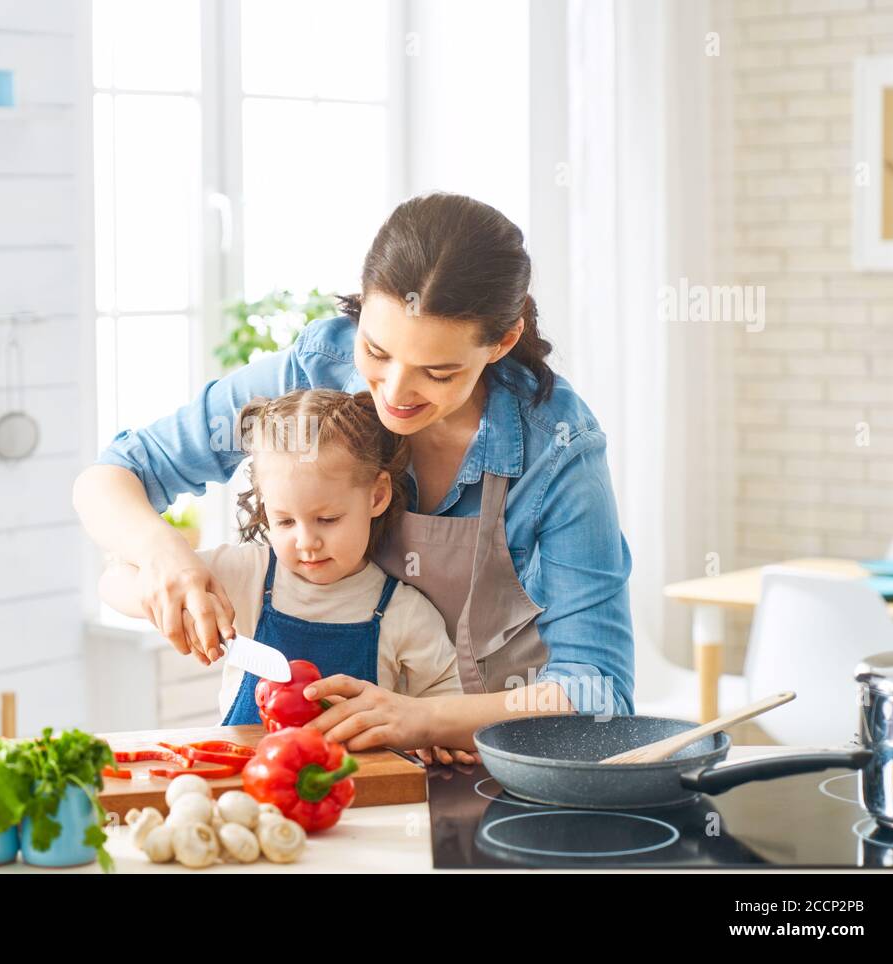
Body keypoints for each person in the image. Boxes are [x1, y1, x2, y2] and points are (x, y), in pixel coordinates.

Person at [74, 192, 635, 761]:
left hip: (488, 767)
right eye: (377, 349)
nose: (393, 392)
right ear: (362, 305)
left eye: (438, 372)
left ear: (503, 341)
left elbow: (599, 692)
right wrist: (165, 555)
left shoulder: (557, 444)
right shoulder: (313, 373)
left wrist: (424, 718)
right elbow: (113, 475)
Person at [98, 389, 460, 728]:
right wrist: (174, 597)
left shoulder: (404, 611)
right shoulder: (247, 574)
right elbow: (112, 580)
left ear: (377, 496)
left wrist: (433, 737)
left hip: (362, 789)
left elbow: (447, 697)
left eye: (327, 519)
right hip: (245, 785)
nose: (306, 542)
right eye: (284, 520)